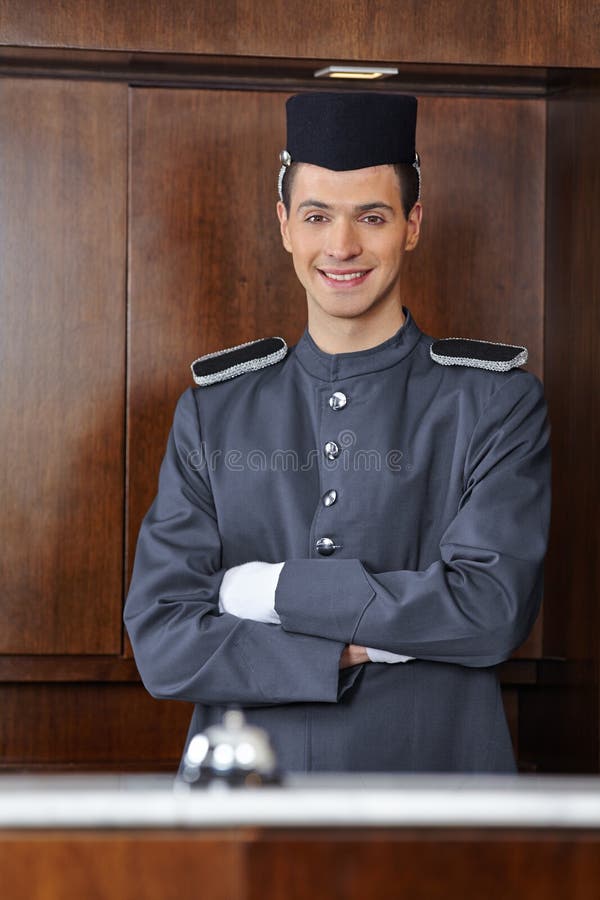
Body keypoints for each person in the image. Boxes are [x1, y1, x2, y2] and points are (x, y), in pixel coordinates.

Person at [124, 92, 551, 773]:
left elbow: (490, 609)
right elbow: (164, 639)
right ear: (285, 224)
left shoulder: (496, 402)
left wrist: (264, 592)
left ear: (412, 224)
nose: (342, 246)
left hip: (441, 789)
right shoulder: (214, 412)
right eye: (318, 215)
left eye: (371, 217)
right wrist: (351, 646)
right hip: (253, 798)